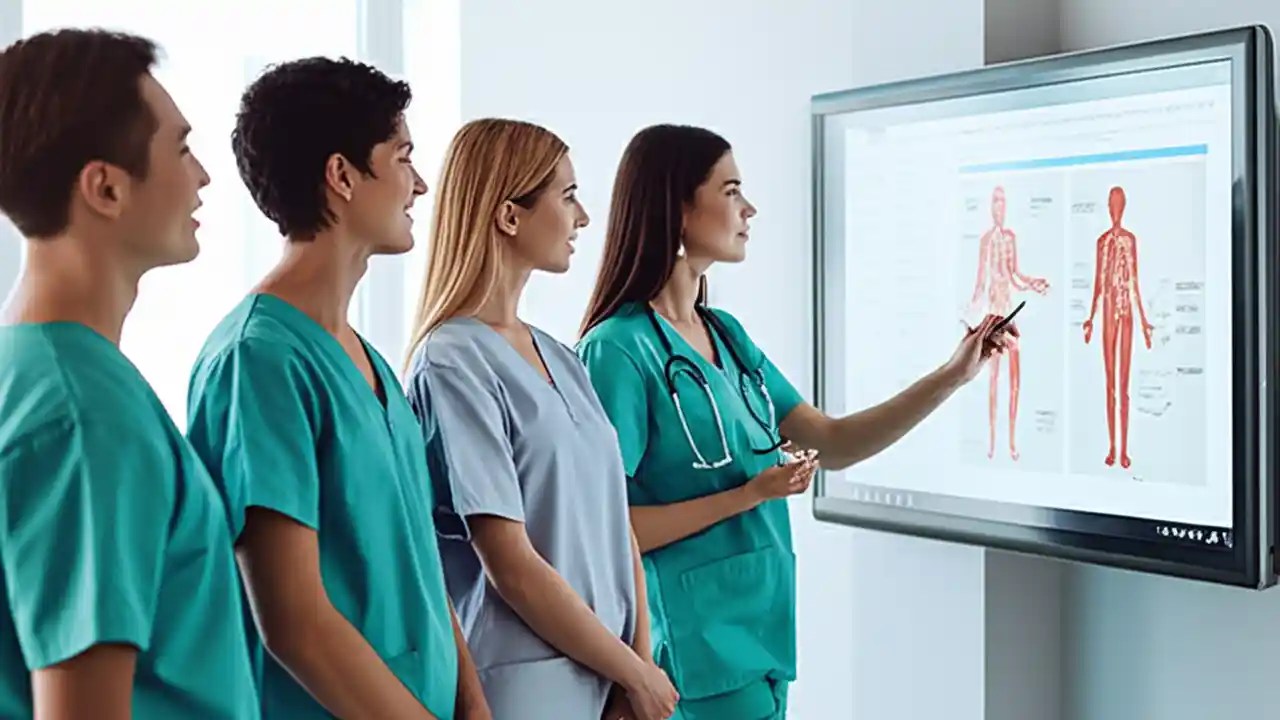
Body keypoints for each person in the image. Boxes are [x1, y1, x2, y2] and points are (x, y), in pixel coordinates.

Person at [576, 123, 1016, 719]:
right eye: (731, 191)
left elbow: (834, 441)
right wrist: (749, 495)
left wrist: (953, 374)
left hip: (763, 639)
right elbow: (608, 530)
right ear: (678, 207)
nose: (748, 209)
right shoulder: (619, 350)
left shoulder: (725, 336)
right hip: (688, 656)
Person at [185, 57, 487, 720]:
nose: (423, 184)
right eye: (404, 157)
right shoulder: (257, 361)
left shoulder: (372, 365)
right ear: (342, 175)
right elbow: (292, 622)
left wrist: (472, 707)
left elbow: (422, 572)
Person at [0, 29, 258, 719]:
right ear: (106, 187)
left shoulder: (32, 374)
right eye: (180, 147)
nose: (203, 175)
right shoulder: (84, 414)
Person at [402, 118, 678, 720]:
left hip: (611, 679)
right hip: (528, 685)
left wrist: (637, 664)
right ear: (508, 216)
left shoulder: (561, 356)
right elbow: (510, 563)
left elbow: (615, 522)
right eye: (568, 194)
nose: (582, 218)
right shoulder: (453, 360)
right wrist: (629, 670)